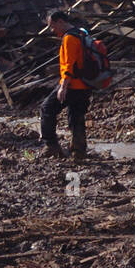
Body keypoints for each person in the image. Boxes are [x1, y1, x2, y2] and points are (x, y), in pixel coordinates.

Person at [41, 10, 92, 161]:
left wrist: (63, 87)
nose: (52, 30)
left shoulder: (69, 38)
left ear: (61, 22)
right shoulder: (82, 34)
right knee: (76, 116)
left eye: (52, 26)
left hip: (72, 85)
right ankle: (79, 152)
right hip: (86, 84)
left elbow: (68, 65)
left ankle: (51, 146)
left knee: (47, 108)